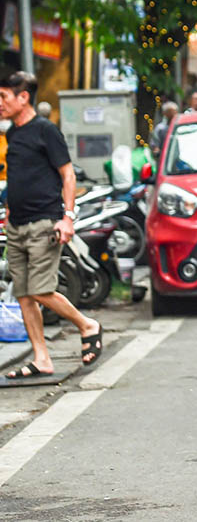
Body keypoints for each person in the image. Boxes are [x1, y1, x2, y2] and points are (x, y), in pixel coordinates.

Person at [0, 71, 103, 379]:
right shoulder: (12, 134)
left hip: (44, 223)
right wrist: (7, 213)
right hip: (16, 226)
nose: (0, 103)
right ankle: (42, 358)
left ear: (23, 97)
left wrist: (67, 218)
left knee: (42, 290)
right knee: (24, 294)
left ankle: (88, 325)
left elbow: (67, 175)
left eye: (4, 97)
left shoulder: (46, 130)